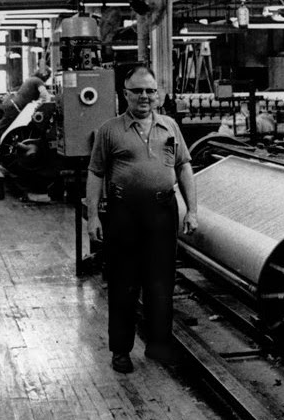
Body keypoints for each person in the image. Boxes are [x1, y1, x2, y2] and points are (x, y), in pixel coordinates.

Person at [86, 65, 199, 374]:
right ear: (125, 95)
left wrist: (192, 209)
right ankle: (121, 351)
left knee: (160, 283)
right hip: (124, 215)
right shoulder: (109, 130)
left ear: (157, 94)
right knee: (123, 284)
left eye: (150, 90)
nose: (145, 96)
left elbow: (184, 167)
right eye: (138, 91)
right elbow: (96, 172)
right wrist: (93, 215)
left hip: (163, 213)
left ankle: (159, 345)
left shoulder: (170, 126)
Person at [0, 66, 51, 161]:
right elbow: (45, 95)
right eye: (48, 74)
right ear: (45, 74)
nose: (48, 76)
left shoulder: (32, 79)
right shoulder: (38, 81)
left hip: (11, 104)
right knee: (1, 130)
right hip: (14, 108)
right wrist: (43, 102)